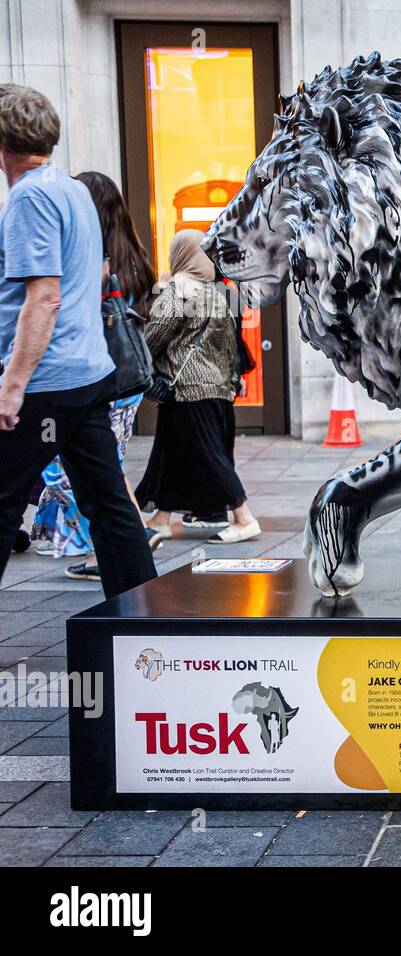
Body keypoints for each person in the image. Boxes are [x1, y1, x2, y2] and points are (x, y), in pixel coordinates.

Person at [0, 85, 156, 598]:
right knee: (108, 502)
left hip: (45, 382)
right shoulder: (72, 190)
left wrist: (12, 384)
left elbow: (44, 297)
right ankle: (143, 622)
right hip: (87, 377)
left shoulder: (29, 198)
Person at [31, 170, 158, 580]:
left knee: (95, 473)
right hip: (122, 376)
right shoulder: (132, 255)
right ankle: (122, 545)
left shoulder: (92, 256)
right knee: (106, 471)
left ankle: (125, 538)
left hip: (89, 376)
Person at [136, 229, 261, 544]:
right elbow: (231, 347)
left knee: (209, 455)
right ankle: (162, 518)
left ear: (179, 254)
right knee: (173, 452)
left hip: (187, 388)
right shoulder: (220, 293)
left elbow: (151, 340)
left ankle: (244, 517)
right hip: (216, 389)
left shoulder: (180, 291)